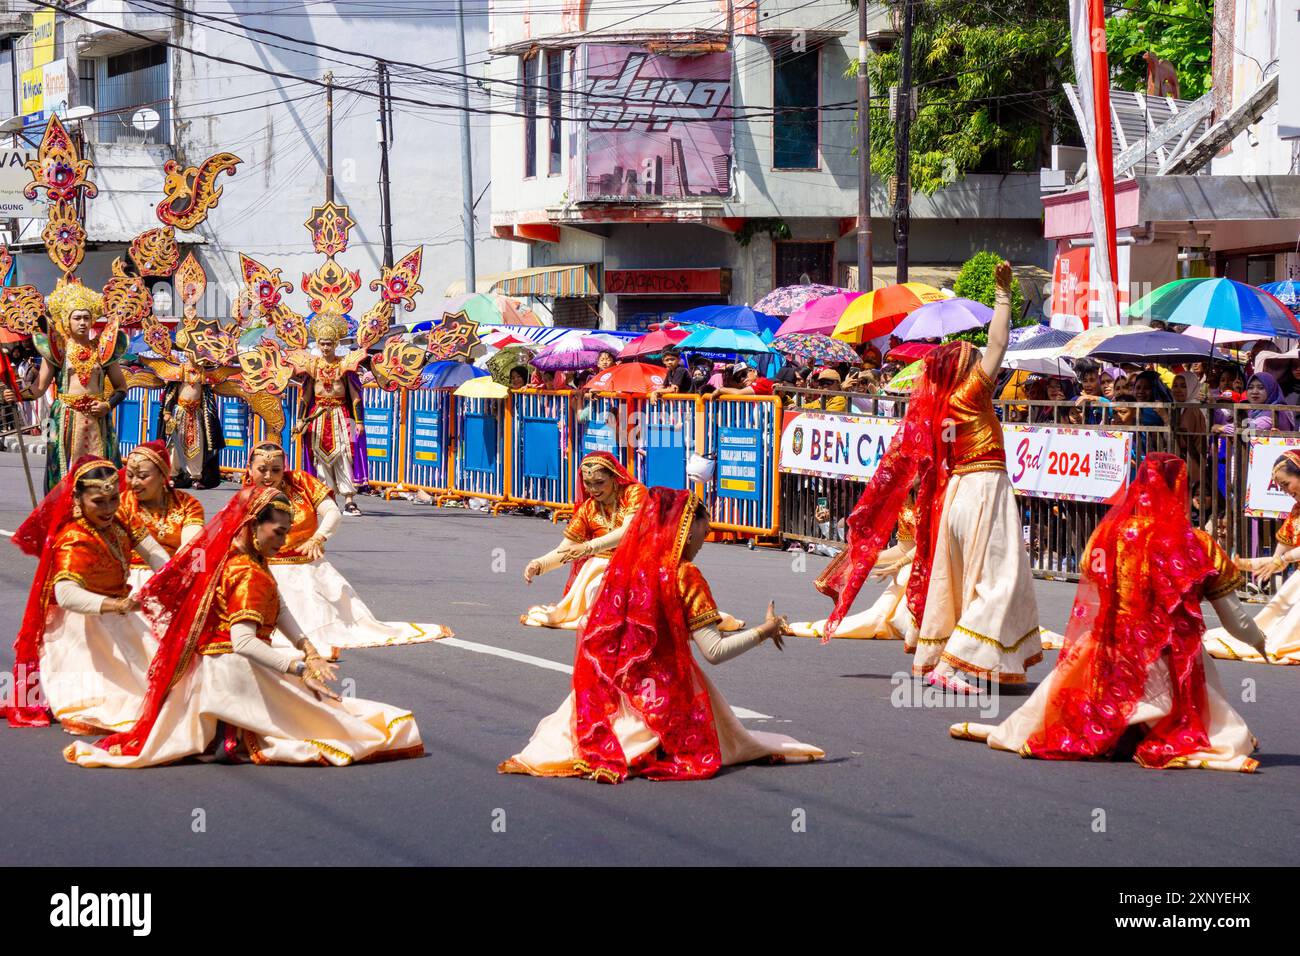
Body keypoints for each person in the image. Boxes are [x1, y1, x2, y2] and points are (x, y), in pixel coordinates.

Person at [64, 484, 424, 768]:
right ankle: (231, 730)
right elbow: (244, 642)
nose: (283, 542)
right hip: (231, 671)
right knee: (339, 728)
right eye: (278, 532)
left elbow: (278, 606)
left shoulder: (244, 557)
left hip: (227, 668)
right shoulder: (245, 572)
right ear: (253, 525)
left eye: (285, 534)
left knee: (328, 713)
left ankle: (226, 732)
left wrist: (308, 650)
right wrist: (299, 668)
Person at [950, 454, 1265, 773]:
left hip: (1110, 652)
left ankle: (1110, 727)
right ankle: (1154, 727)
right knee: (1193, 664)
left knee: (1071, 682)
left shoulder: (1109, 536)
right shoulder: (1199, 545)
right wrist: (1258, 642)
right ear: (1180, 490)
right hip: (1171, 657)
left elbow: (1095, 591)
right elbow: (1235, 619)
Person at [815, 261, 1042, 691]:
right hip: (983, 490)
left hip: (956, 497)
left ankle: (954, 656)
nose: (978, 360)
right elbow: (998, 342)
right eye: (971, 359)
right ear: (962, 370)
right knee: (1000, 577)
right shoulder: (971, 393)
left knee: (959, 581)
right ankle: (954, 664)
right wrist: (1003, 296)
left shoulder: (936, 408)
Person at [501, 488, 823, 782]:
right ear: (684, 526)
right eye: (703, 527)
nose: (705, 535)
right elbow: (715, 651)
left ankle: (623, 737)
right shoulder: (684, 574)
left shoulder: (624, 570)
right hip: (659, 693)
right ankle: (651, 739)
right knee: (711, 724)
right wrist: (764, 631)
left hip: (609, 690)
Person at [1, 456, 169, 731]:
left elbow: (152, 551)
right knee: (116, 700)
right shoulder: (74, 538)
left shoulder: (121, 514)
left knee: (169, 683)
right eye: (99, 502)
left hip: (122, 612)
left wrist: (168, 577)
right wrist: (118, 605)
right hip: (82, 625)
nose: (108, 508)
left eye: (114, 498)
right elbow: (66, 595)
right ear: (78, 499)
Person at [243, 442, 451, 657]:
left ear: (284, 467)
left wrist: (318, 537)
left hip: (310, 567)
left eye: (276, 470)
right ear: (249, 469)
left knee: (340, 623)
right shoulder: (245, 499)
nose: (269, 476)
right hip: (269, 572)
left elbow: (332, 512)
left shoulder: (301, 482)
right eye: (262, 470)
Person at [1, 284, 129, 492]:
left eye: (86, 318)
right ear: (67, 321)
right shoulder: (57, 349)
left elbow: (121, 388)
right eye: (77, 318)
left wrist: (107, 405)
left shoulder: (104, 349)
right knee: (55, 468)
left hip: (98, 420)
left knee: (101, 471)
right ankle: (56, 516)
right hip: (61, 418)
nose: (82, 322)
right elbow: (39, 388)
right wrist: (16, 395)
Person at [520, 451, 651, 630]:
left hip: (637, 563)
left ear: (614, 477)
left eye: (599, 482)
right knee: (594, 591)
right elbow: (566, 549)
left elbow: (627, 532)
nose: (594, 489)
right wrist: (539, 564)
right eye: (588, 484)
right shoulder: (588, 509)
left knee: (601, 592)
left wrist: (588, 547)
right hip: (601, 566)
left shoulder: (634, 493)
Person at [1205, 451, 1300, 664]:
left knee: (1283, 636)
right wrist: (1241, 564)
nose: (1285, 491)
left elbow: (1285, 559)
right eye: (1281, 487)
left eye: (1286, 484)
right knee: (1273, 622)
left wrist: (1283, 561)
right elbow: (1279, 557)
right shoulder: (1296, 511)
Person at [787, 494, 918, 642]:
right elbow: (904, 549)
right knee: (878, 617)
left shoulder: (937, 499)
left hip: (938, 566)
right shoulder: (905, 507)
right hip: (916, 567)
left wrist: (900, 564)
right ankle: (814, 628)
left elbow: (930, 545)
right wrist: (864, 561)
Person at [294, 312, 369, 516]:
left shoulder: (345, 365)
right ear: (318, 344)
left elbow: (355, 395)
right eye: (322, 343)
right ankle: (326, 498)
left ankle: (349, 499)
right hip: (317, 416)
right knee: (319, 458)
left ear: (336, 344)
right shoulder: (312, 366)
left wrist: (359, 421)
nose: (325, 347)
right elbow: (305, 395)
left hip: (342, 415)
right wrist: (300, 420)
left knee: (346, 455)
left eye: (329, 343)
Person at [118, 440, 205, 591]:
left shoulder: (186, 503)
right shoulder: (120, 505)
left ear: (163, 475)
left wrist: (175, 577)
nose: (134, 482)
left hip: (176, 575)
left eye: (143, 476)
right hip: (128, 582)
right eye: (130, 475)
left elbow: (192, 543)